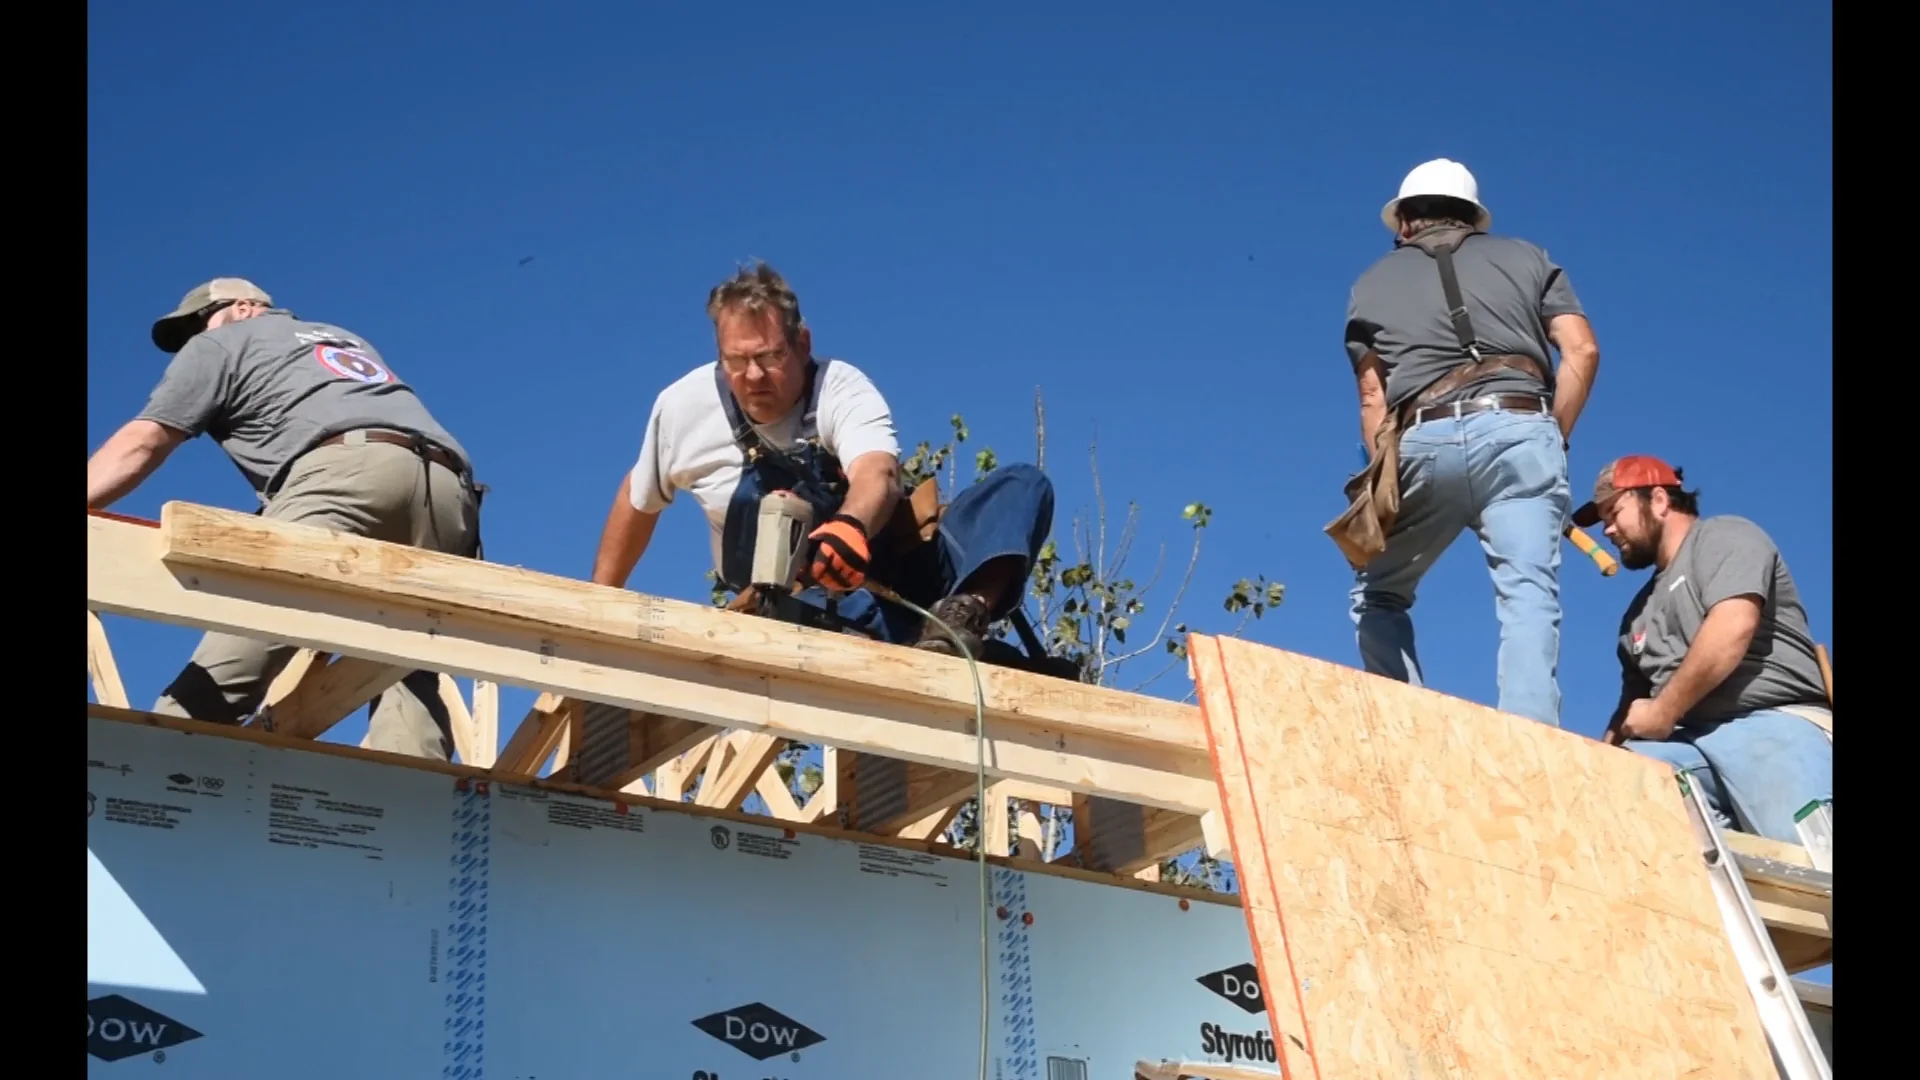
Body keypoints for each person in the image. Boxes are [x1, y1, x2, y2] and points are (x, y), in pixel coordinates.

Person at [85, 277, 484, 760]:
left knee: (241, 648)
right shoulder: (344, 339)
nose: (195, 338)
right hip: (449, 492)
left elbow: (143, 442)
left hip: (345, 474)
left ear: (245, 307)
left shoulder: (223, 342)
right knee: (408, 663)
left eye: (199, 322)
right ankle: (417, 813)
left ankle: (150, 770)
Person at [590, 261, 1055, 658]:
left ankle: (960, 620)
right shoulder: (683, 408)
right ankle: (925, 643)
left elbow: (878, 472)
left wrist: (851, 527)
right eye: (736, 361)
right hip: (798, 607)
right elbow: (639, 497)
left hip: (895, 576)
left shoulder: (839, 387)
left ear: (802, 343)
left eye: (769, 357)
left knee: (1022, 486)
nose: (753, 376)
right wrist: (599, 611)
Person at [1331, 158, 1601, 726]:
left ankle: (1405, 722)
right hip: (1522, 425)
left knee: (1378, 595)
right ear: (1473, 218)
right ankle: (1531, 735)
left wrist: (1381, 477)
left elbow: (1372, 400)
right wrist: (1552, 435)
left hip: (1422, 435)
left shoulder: (1370, 284)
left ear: (1404, 220)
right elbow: (1581, 350)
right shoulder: (1529, 258)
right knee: (1527, 593)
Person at [1576, 455, 1833, 843]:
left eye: (1613, 512)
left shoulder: (1723, 537)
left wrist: (1664, 710)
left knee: (1810, 877)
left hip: (1772, 727)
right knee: (1619, 785)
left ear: (1659, 500)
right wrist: (1586, 768)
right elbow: (1630, 709)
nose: (1608, 529)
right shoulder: (1636, 617)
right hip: (1691, 745)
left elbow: (1733, 624)